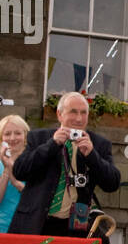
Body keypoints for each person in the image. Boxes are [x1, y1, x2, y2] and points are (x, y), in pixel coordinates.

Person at [9, 92, 121, 236]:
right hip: (38, 224)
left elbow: (112, 183)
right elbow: (20, 171)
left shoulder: (99, 144)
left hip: (76, 226)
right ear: (59, 114)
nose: (79, 118)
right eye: (73, 112)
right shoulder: (39, 138)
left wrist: (92, 156)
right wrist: (52, 144)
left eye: (83, 113)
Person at [0, 114, 28, 232]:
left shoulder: (33, 161)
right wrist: (6, 170)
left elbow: (33, 197)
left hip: (26, 228)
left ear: (25, 136)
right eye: (7, 134)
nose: (12, 138)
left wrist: (14, 180)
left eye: (17, 133)